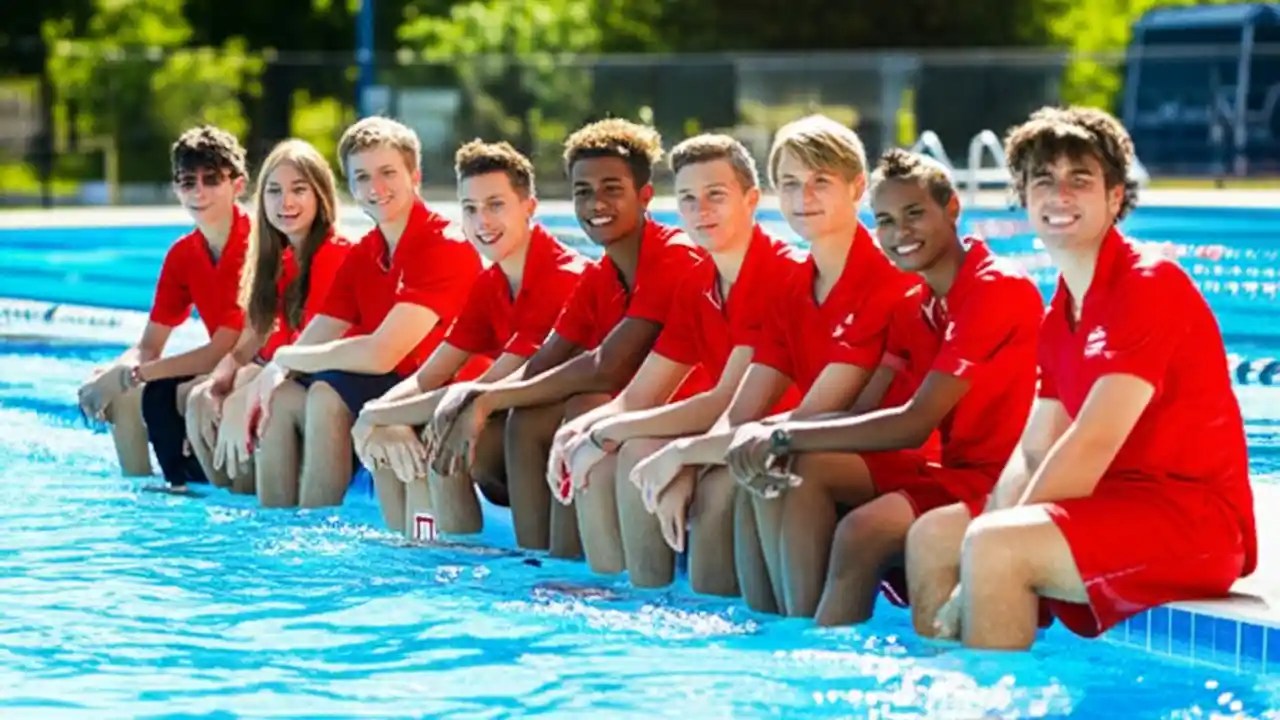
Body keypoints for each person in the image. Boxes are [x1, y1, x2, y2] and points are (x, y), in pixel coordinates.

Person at [905, 106, 1257, 651]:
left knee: (997, 549)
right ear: (1023, 196)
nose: (1059, 195)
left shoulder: (1147, 284)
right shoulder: (1060, 314)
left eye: (1080, 180)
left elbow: (1092, 442)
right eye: (1043, 180)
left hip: (1193, 523)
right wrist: (987, 520)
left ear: (1115, 197)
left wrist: (992, 539)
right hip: (1111, 505)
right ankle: (950, 680)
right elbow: (1034, 448)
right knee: (933, 536)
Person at [723, 148, 1043, 623]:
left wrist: (783, 432)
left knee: (861, 531)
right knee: (794, 468)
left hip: (1002, 483)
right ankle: (788, 633)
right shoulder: (914, 302)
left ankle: (823, 654)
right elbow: (863, 413)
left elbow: (914, 424)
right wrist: (774, 436)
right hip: (946, 472)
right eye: (886, 221)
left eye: (915, 214)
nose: (900, 234)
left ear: (951, 208)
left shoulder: (995, 289)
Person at [633, 115, 918, 604]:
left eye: (820, 182)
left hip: (887, 459)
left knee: (768, 470)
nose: (803, 198)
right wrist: (690, 466)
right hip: (801, 443)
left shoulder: (885, 281)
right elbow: (742, 411)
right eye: (790, 183)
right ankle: (750, 633)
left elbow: (819, 416)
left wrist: (682, 453)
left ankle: (797, 637)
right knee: (736, 474)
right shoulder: (792, 286)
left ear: (857, 187)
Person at [428, 118, 705, 558]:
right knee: (527, 417)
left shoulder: (674, 257)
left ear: (645, 195)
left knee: (580, 409)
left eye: (612, 188)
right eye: (582, 191)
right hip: (624, 417)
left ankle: (580, 568)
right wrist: (475, 397)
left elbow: (606, 366)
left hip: (686, 419)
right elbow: (545, 361)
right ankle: (538, 562)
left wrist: (484, 399)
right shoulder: (599, 276)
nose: (596, 202)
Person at [554, 133, 805, 584]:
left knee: (633, 453)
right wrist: (577, 434)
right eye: (688, 198)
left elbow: (729, 401)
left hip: (777, 441)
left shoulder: (779, 273)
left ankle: (676, 610)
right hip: (725, 434)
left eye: (716, 196)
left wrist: (617, 435)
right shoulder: (698, 282)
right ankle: (618, 603)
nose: (701, 210)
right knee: (603, 457)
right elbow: (639, 396)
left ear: (751, 200)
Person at [240, 116, 483, 509]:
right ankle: (281, 532)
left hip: (444, 392)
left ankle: (315, 525)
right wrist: (270, 374)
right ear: (351, 186)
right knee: (284, 396)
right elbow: (319, 333)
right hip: (396, 382)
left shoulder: (445, 245)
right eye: (363, 177)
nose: (376, 188)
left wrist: (284, 357)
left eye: (388, 172)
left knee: (324, 390)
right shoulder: (365, 253)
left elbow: (380, 353)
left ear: (414, 175)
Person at [350, 139, 587, 538]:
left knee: (441, 435)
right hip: (506, 424)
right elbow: (429, 376)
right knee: (395, 443)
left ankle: (458, 563)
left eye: (496, 205)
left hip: (554, 437)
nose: (482, 222)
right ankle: (413, 556)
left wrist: (373, 416)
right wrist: (383, 418)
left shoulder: (564, 275)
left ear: (529, 206)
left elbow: (485, 387)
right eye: (470, 209)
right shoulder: (490, 283)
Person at [76, 125, 251, 492]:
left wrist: (133, 375)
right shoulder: (183, 254)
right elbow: (149, 345)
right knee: (121, 394)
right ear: (176, 189)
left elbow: (223, 350)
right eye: (188, 182)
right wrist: (115, 372)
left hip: (255, 368)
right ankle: (141, 496)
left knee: (138, 384)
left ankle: (176, 484)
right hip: (220, 369)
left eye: (211, 179)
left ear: (238, 185)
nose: (199, 191)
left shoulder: (258, 245)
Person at [183, 139, 353, 495]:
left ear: (321, 195)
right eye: (274, 191)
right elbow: (258, 339)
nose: (285, 202)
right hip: (295, 380)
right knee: (201, 398)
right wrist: (220, 382)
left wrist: (246, 393)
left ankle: (271, 525)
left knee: (264, 402)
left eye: (298, 190)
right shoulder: (282, 259)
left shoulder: (336, 255)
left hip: (331, 390)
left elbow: (307, 353)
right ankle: (241, 511)